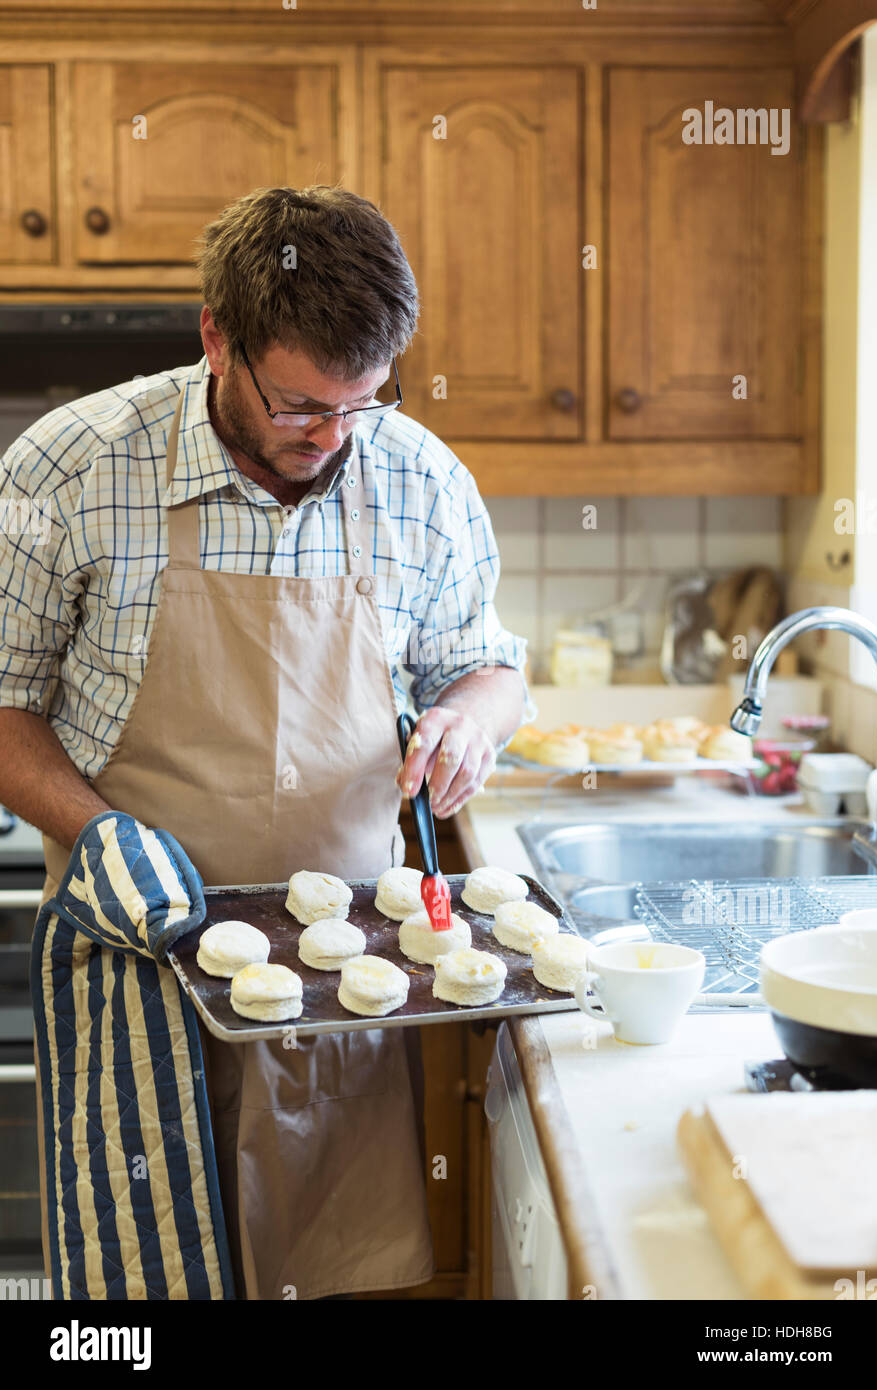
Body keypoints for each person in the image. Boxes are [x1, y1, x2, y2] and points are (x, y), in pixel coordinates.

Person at [0, 185, 530, 1300]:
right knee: (141, 1287)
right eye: (298, 406)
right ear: (215, 339)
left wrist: (469, 720)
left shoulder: (420, 480)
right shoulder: (72, 470)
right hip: (132, 967)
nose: (332, 439)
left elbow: (486, 668)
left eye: (362, 405)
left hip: (341, 987)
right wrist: (100, 833)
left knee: (331, 1273)